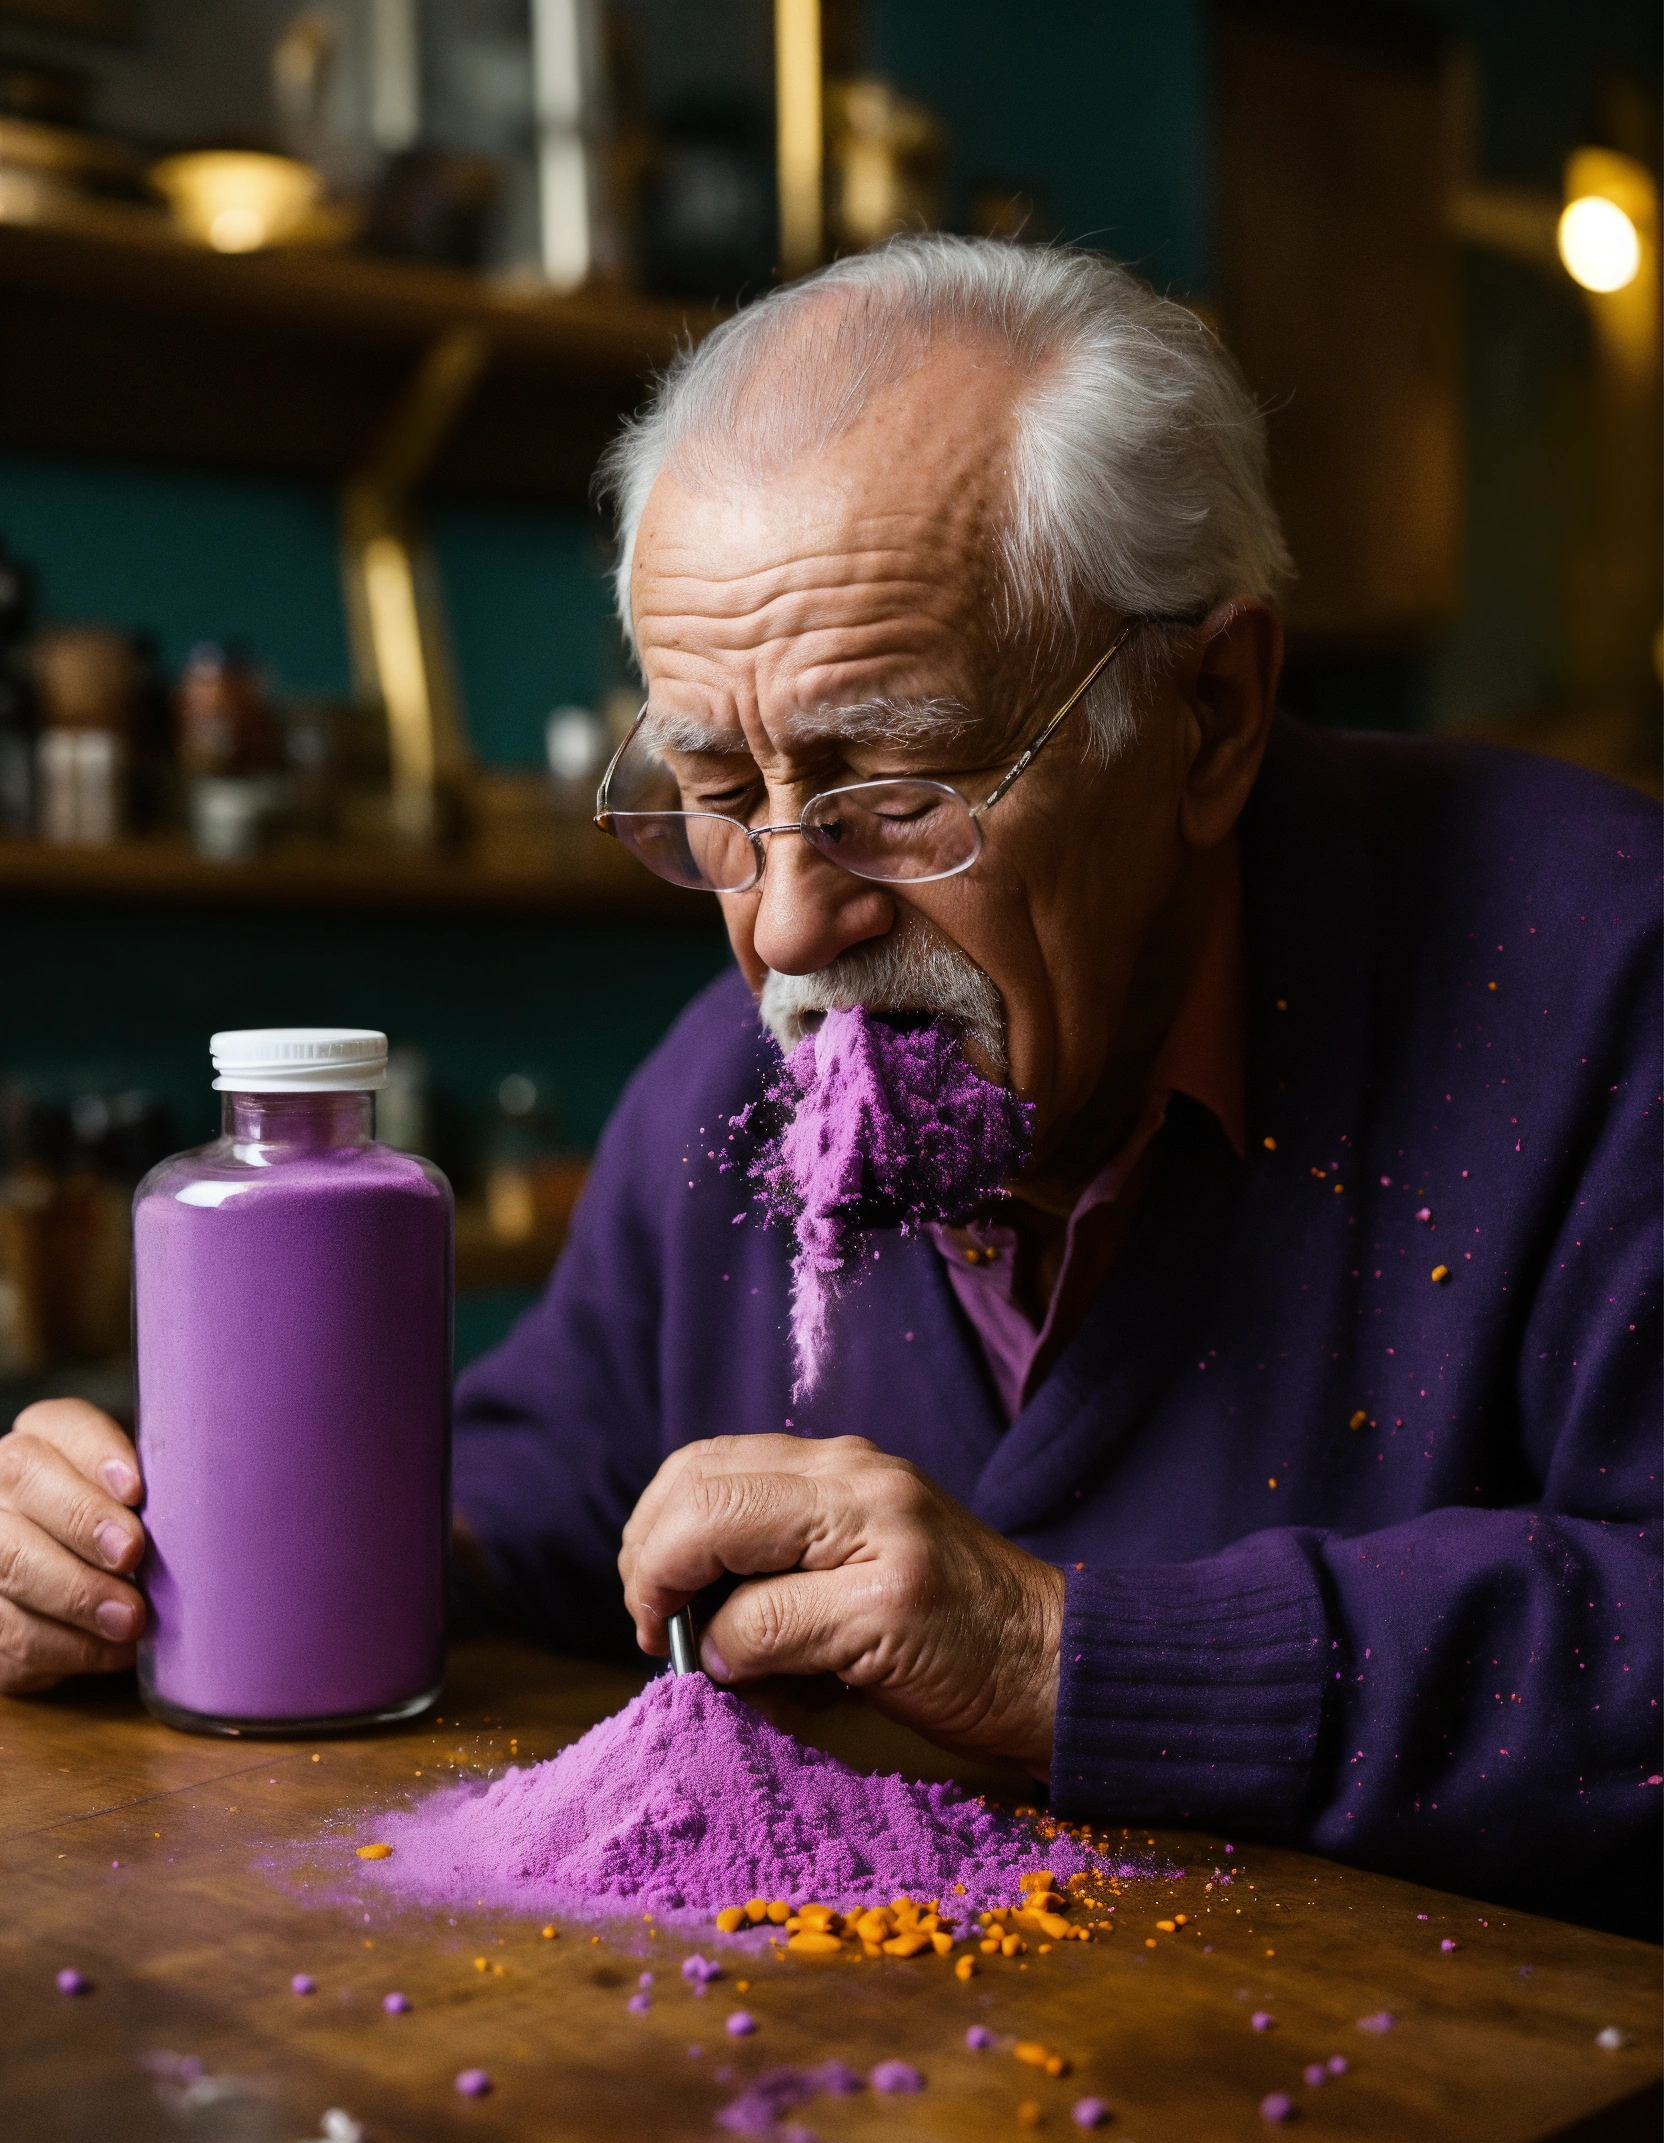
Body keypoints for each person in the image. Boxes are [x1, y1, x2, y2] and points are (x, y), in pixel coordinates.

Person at [3, 239, 1657, 1933]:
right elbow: (551, 1499)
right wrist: (169, 1545)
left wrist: (1060, 1653)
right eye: (719, 793)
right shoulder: (728, 1088)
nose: (789, 926)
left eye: (899, 786)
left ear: (1209, 716)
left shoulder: (1607, 984)